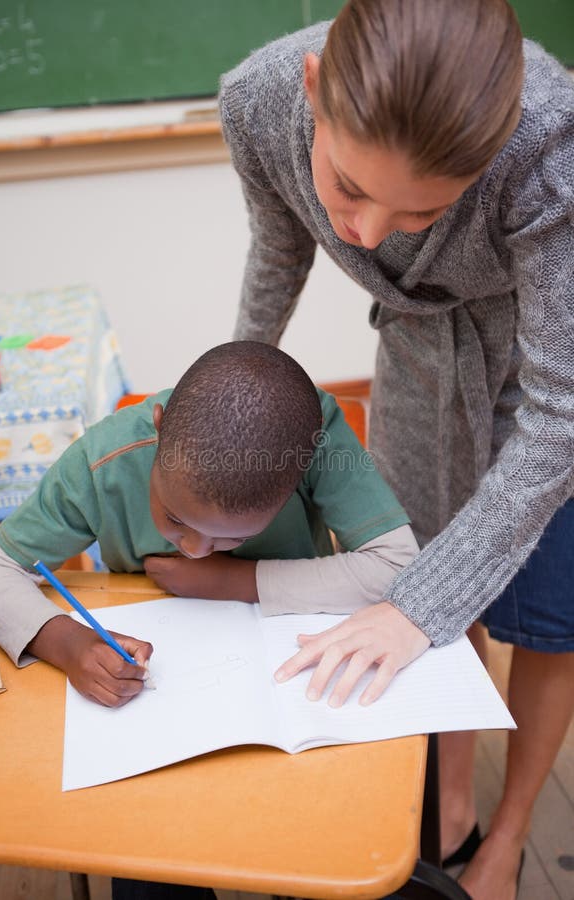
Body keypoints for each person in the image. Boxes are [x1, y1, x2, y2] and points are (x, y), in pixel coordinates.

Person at [218, 1, 574, 898]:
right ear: (313, 93)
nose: (369, 237)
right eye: (347, 187)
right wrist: (222, 397)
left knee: (550, 621)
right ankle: (450, 802)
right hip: (420, 366)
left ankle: (511, 831)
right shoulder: (260, 99)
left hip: (549, 379)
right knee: (443, 581)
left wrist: (417, 607)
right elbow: (278, 250)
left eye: (424, 211)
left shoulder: (552, 148)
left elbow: (558, 416)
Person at [0, 339, 417, 707]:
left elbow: (400, 567)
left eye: (236, 536)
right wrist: (67, 643)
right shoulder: (101, 463)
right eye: (174, 517)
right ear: (160, 429)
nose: (194, 550)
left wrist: (236, 581)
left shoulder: (315, 439)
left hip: (290, 668)